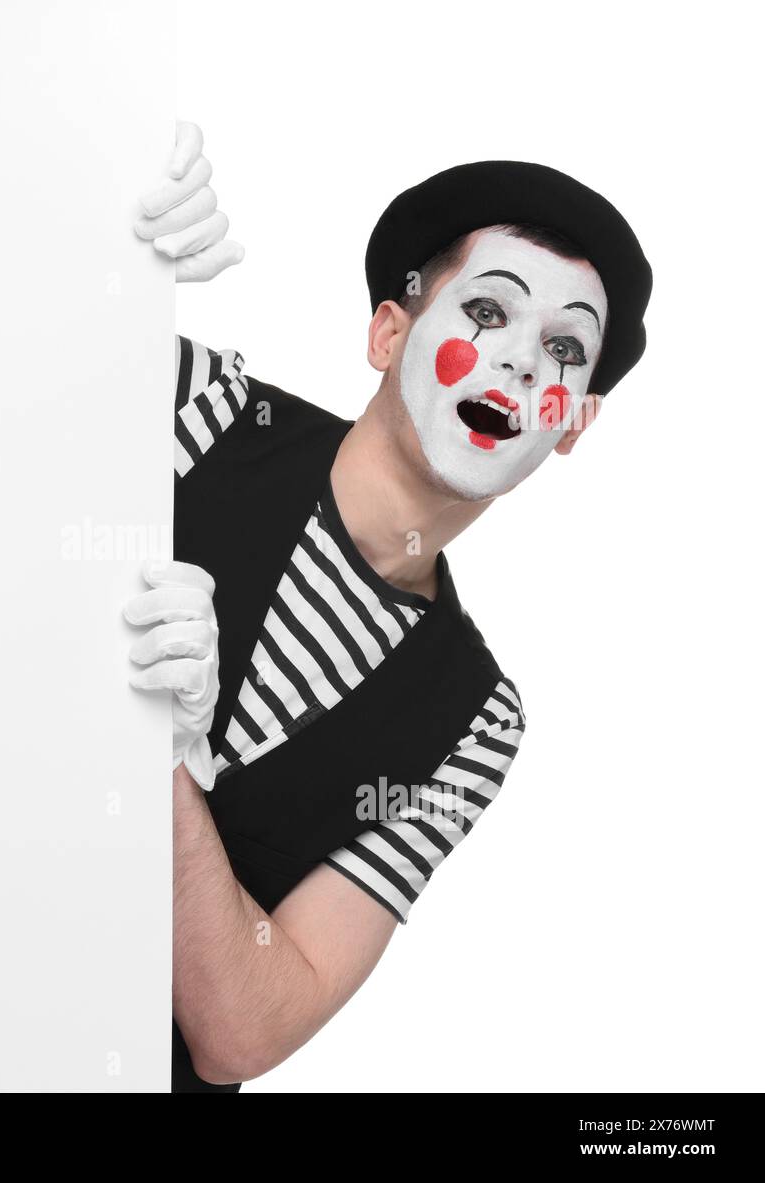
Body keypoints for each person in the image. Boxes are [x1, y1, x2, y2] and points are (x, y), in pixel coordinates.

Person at [125, 122, 652, 1092]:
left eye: (564, 348)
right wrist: (96, 254)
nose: (525, 362)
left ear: (569, 426)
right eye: (489, 311)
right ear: (387, 331)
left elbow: (243, 1031)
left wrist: (148, 760)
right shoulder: (197, 408)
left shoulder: (477, 724)